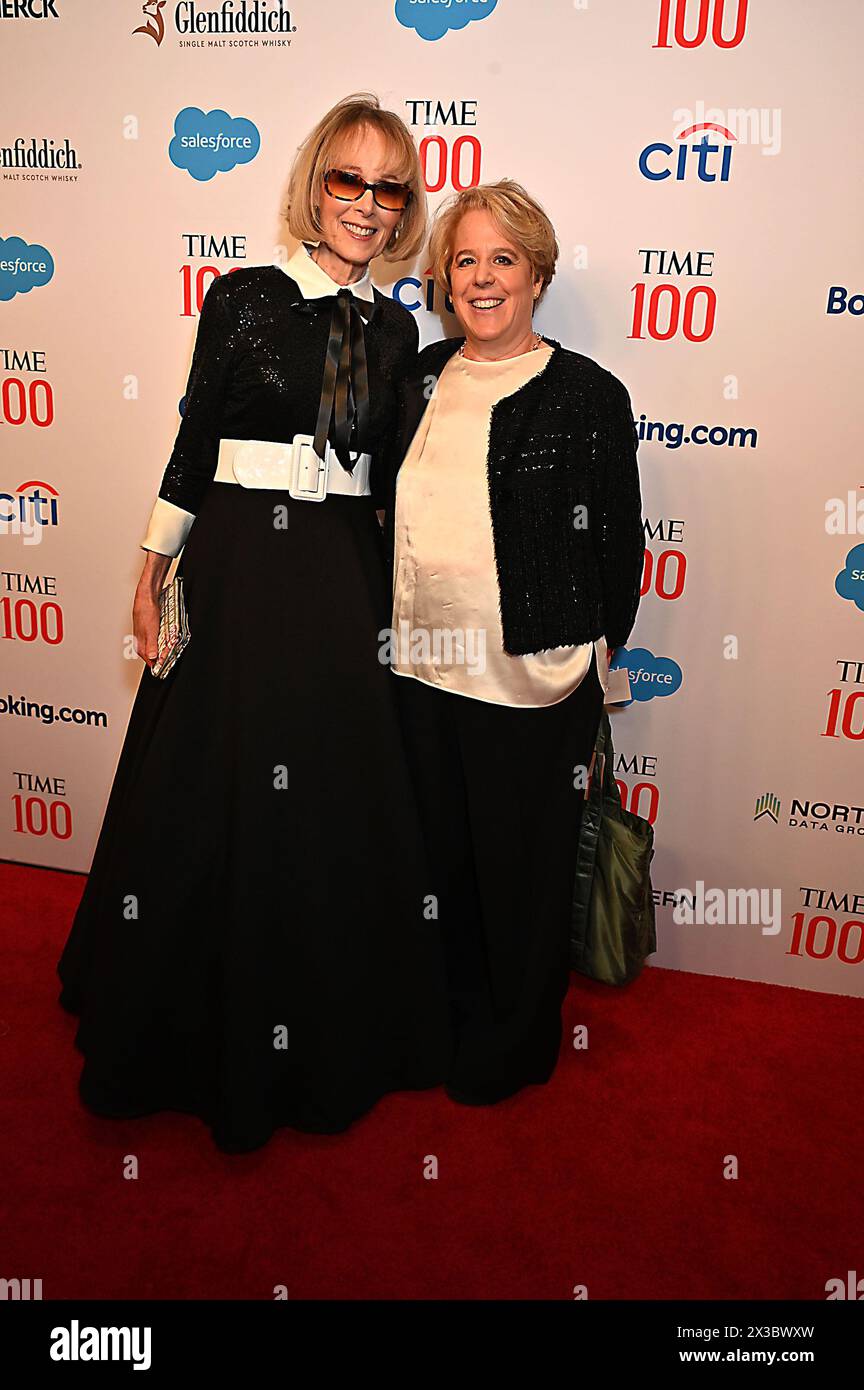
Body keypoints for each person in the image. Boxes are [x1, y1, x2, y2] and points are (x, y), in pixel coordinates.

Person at [57, 93, 455, 1153]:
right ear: (312, 183)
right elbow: (193, 441)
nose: (367, 205)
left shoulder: (398, 324)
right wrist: (152, 567)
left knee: (329, 785)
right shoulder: (241, 298)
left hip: (340, 574)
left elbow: (395, 479)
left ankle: (325, 1018)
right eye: (347, 179)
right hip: (239, 560)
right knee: (216, 778)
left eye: (389, 187)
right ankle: (185, 1016)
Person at [381, 179, 645, 1106]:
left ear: (537, 275)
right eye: (465, 260)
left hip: (533, 684)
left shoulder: (587, 394)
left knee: (523, 874)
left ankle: (517, 1041)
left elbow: (621, 548)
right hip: (420, 672)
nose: (483, 278)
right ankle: (447, 1019)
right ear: (443, 281)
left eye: (504, 260)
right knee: (438, 861)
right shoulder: (417, 379)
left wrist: (586, 665)